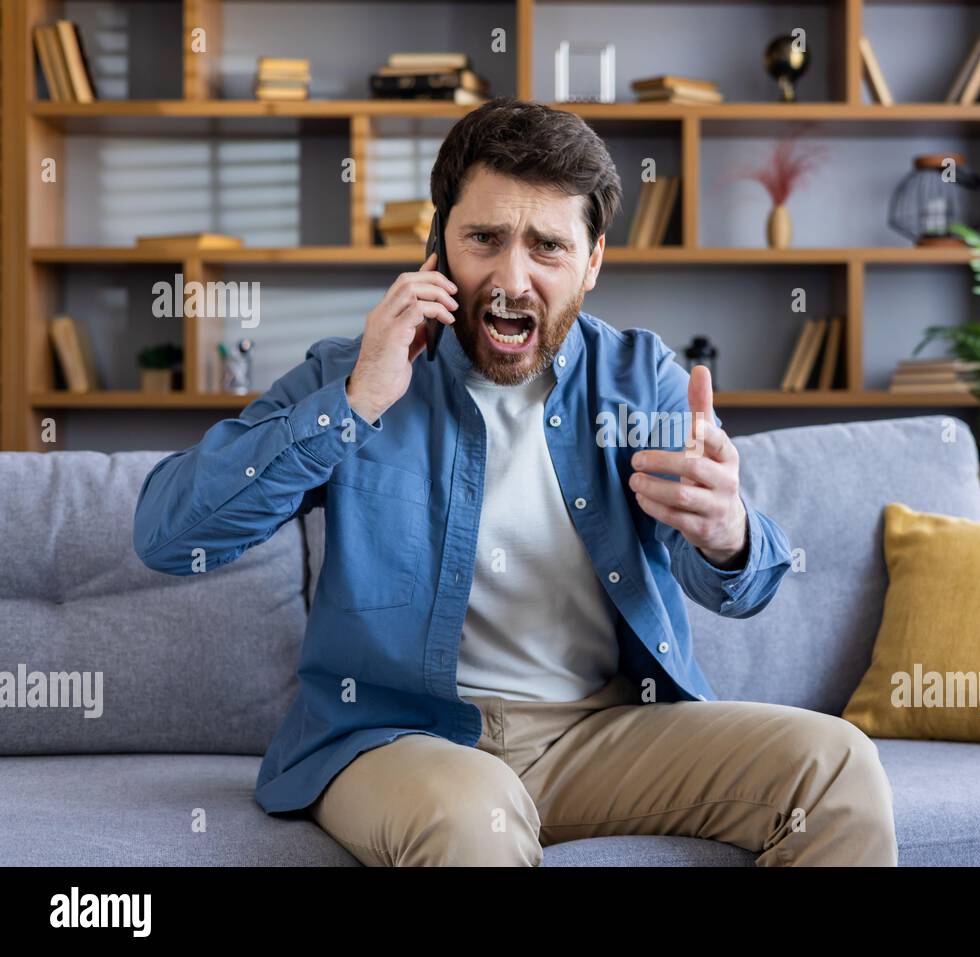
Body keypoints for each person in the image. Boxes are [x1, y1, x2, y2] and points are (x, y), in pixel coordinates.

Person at [133, 96, 897, 867]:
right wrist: (356, 404)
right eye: (485, 239)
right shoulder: (354, 371)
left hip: (600, 733)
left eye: (548, 247)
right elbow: (168, 535)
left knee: (836, 767)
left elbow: (745, 582)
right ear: (438, 245)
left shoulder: (640, 381)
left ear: (594, 261)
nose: (511, 278)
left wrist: (728, 532)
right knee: (474, 819)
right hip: (401, 739)